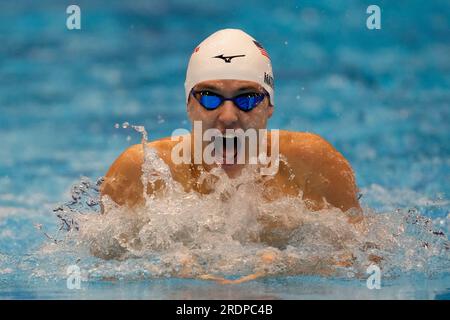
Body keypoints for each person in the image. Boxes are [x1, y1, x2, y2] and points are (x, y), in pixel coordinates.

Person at [100, 29, 363, 282]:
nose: (228, 116)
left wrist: (287, 269)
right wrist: (175, 273)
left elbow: (365, 258)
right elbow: (104, 266)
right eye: (210, 98)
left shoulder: (312, 165)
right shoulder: (143, 171)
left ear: (269, 105)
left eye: (247, 98)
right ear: (188, 105)